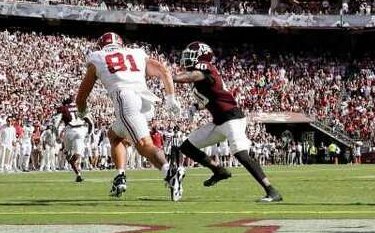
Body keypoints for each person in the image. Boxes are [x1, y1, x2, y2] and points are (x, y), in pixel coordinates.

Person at [170, 42, 283, 203]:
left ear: (201, 57)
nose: (186, 58)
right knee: (187, 147)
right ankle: (219, 170)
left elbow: (190, 76)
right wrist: (196, 106)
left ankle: (272, 191)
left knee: (241, 153)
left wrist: (168, 77)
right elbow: (212, 97)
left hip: (232, 118)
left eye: (190, 55)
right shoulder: (202, 76)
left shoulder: (205, 70)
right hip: (219, 122)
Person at [74, 31, 178, 201]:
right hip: (146, 102)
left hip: (126, 98)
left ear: (101, 46)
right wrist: (171, 98)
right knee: (114, 136)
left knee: (143, 145)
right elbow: (163, 70)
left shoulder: (97, 57)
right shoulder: (137, 53)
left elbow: (81, 96)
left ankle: (170, 172)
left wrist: (82, 111)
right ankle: (120, 176)